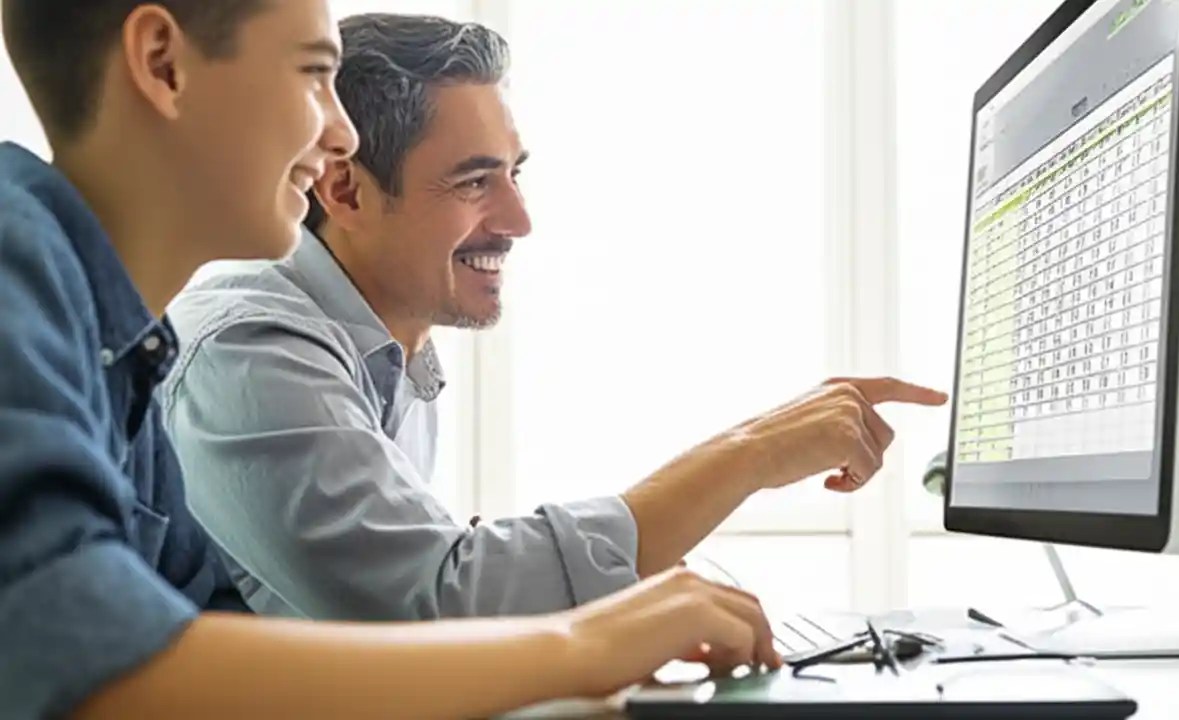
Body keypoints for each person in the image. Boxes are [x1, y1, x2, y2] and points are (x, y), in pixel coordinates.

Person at [0, 2, 788, 717]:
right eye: (314, 74)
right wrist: (578, 648)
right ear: (163, 64)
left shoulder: (116, 357)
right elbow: (83, 659)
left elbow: (208, 643)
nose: (342, 134)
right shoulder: (16, 264)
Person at [162, 12, 950, 622]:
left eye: (514, 174)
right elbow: (440, 602)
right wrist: (747, 456)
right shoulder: (251, 351)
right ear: (344, 191)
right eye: (475, 183)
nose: (519, 220)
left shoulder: (380, 351)